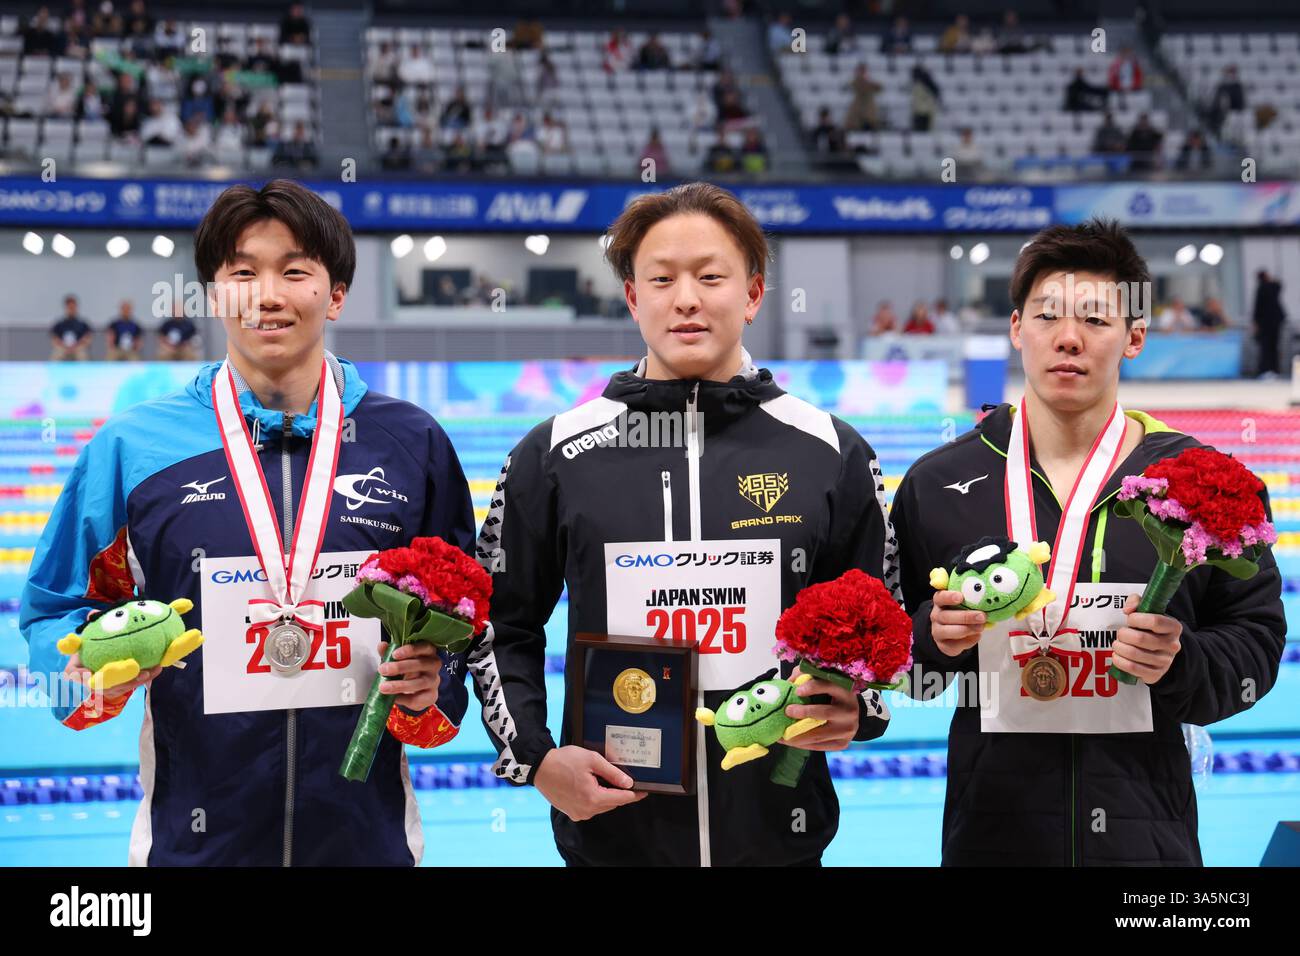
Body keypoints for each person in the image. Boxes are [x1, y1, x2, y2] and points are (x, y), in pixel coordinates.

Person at [20, 179, 475, 866]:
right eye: (242, 273)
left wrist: (431, 682)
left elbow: (461, 620)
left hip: (367, 845)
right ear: (212, 294)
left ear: (336, 293)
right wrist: (84, 672)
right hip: (193, 847)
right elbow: (52, 610)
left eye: (295, 271)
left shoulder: (411, 445)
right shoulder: (132, 449)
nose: (268, 294)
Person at [464, 182, 896, 866]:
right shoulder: (554, 454)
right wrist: (535, 759)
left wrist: (858, 705)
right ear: (633, 298)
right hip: (614, 835)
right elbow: (498, 622)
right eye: (661, 279)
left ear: (752, 295)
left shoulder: (830, 451)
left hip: (778, 833)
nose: (686, 298)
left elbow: (880, 617)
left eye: (711, 276)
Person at [890, 219, 1285, 865]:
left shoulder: (1200, 486)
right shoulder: (938, 483)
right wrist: (932, 637)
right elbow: (898, 662)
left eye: (1096, 321)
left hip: (1146, 838)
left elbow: (1256, 643)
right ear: (1017, 328)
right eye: (1047, 317)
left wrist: (1180, 664)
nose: (1068, 338)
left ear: (1133, 338)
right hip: (992, 836)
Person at [1251, 270, 1286, 377]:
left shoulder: (1260, 288)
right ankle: (1273, 370)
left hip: (1264, 323)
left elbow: (1256, 308)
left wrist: (1255, 323)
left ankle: (1266, 370)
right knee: (1273, 347)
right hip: (1274, 322)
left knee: (1266, 347)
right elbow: (1279, 286)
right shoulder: (1271, 286)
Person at [50, 295, 93, 361]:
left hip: (78, 348)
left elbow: (87, 338)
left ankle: (84, 371)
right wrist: (64, 346)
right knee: (56, 355)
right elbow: (54, 339)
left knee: (83, 356)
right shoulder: (59, 324)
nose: (71, 309)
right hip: (63, 348)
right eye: (69, 307)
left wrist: (76, 346)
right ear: (66, 308)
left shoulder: (83, 324)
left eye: (73, 307)